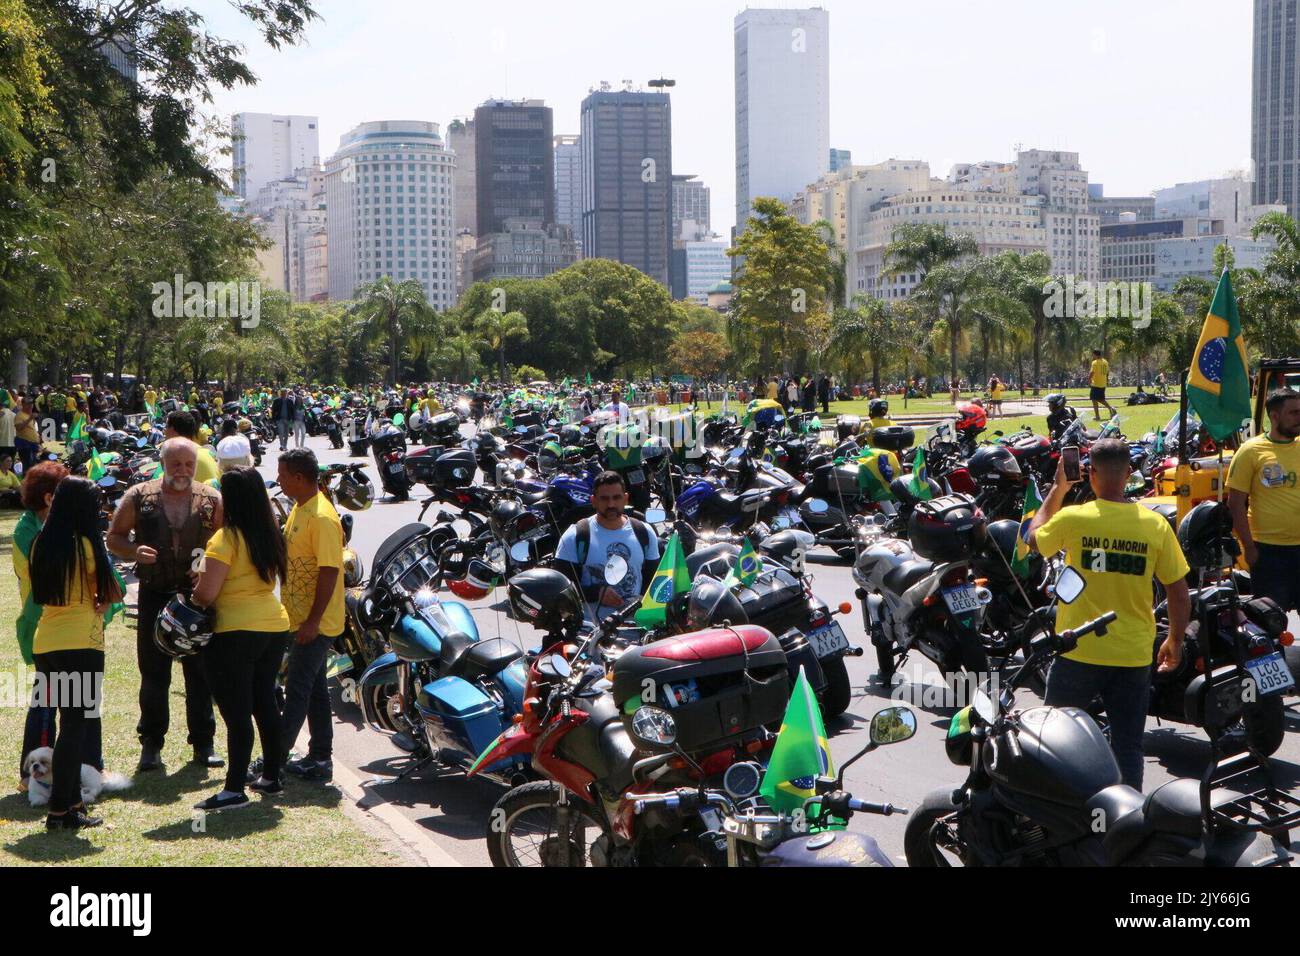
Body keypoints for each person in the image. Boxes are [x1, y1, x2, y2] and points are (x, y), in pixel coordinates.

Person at [1029, 438, 1190, 790]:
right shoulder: (1154, 525)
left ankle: (1052, 815)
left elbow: (1032, 538)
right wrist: (1175, 641)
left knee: (1052, 737)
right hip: (1133, 654)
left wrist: (1058, 488)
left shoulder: (1073, 518)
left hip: (1078, 651)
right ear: (1130, 474)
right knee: (1128, 745)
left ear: (1090, 474)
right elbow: (1178, 593)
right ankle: (1128, 822)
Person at [107, 438, 223, 772]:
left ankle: (204, 744)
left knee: (200, 675)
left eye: (188, 464)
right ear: (163, 464)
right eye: (176, 465)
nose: (183, 471)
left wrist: (207, 566)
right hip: (154, 595)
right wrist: (133, 552)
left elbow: (224, 541)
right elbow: (114, 537)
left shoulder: (211, 498)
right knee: (154, 675)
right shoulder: (138, 495)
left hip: (197, 598)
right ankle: (151, 746)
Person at [190, 467, 291, 811]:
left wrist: (196, 582)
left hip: (234, 632)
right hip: (273, 627)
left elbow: (206, 594)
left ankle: (233, 789)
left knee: (237, 714)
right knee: (265, 703)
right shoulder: (269, 533)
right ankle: (273, 777)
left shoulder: (224, 539)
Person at [31, 477, 123, 830]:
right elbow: (113, 591)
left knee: (67, 723)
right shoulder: (85, 545)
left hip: (48, 642)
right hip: (80, 645)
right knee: (74, 727)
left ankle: (69, 803)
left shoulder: (43, 542)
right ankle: (60, 812)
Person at [12, 462, 104, 791]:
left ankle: (84, 772)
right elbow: (109, 585)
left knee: (67, 711)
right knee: (61, 713)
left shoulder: (37, 537)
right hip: (67, 635)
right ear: (52, 498)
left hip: (48, 635)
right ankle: (54, 785)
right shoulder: (33, 534)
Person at [269, 448, 345, 782]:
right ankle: (320, 759)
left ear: (299, 478)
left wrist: (313, 621)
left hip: (317, 623)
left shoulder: (323, 517)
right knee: (314, 691)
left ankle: (274, 759)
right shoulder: (299, 509)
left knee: (296, 691)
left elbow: (329, 572)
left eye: (282, 475)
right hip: (300, 619)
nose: (279, 480)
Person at [1228, 388, 1300, 615]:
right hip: (1268, 552)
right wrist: (1248, 547)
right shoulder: (1251, 451)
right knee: (1270, 621)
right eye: (1294, 413)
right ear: (1275, 416)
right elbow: (1236, 503)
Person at [555, 471, 660, 623]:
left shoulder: (644, 532)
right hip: (589, 632)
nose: (611, 504)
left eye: (616, 498)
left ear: (625, 498)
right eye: (604, 499)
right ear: (593, 500)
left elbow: (654, 581)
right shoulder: (576, 536)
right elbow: (561, 589)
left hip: (635, 629)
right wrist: (596, 593)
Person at [163, 410, 220, 485]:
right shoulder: (207, 452)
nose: (164, 431)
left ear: (173, 431)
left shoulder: (176, 457)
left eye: (166, 426)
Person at [1088, 349, 1116, 421]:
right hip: (1103, 383)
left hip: (1096, 383)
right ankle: (1110, 409)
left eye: (1093, 355)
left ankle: (1098, 415)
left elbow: (1092, 372)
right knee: (1100, 399)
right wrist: (1106, 381)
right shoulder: (1105, 362)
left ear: (1095, 354)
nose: (1092, 356)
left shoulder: (1095, 362)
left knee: (1094, 399)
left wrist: (1089, 379)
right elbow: (1107, 373)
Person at [15, 398, 40, 472]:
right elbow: (19, 428)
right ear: (23, 405)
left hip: (33, 444)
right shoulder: (19, 415)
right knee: (28, 465)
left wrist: (38, 436)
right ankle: (27, 481)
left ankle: (31, 481)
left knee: (33, 465)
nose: (30, 406)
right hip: (25, 444)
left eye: (31, 404)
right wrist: (30, 418)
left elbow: (31, 429)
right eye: (28, 404)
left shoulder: (29, 415)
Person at [272, 388, 295, 452]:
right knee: (281, 433)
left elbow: (292, 410)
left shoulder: (290, 401)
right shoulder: (276, 400)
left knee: (286, 434)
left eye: (285, 392)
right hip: (279, 419)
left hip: (287, 419)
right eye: (283, 392)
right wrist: (273, 419)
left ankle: (285, 445)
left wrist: (293, 419)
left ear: (287, 393)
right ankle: (281, 445)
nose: (284, 394)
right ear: (281, 393)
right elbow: (273, 410)